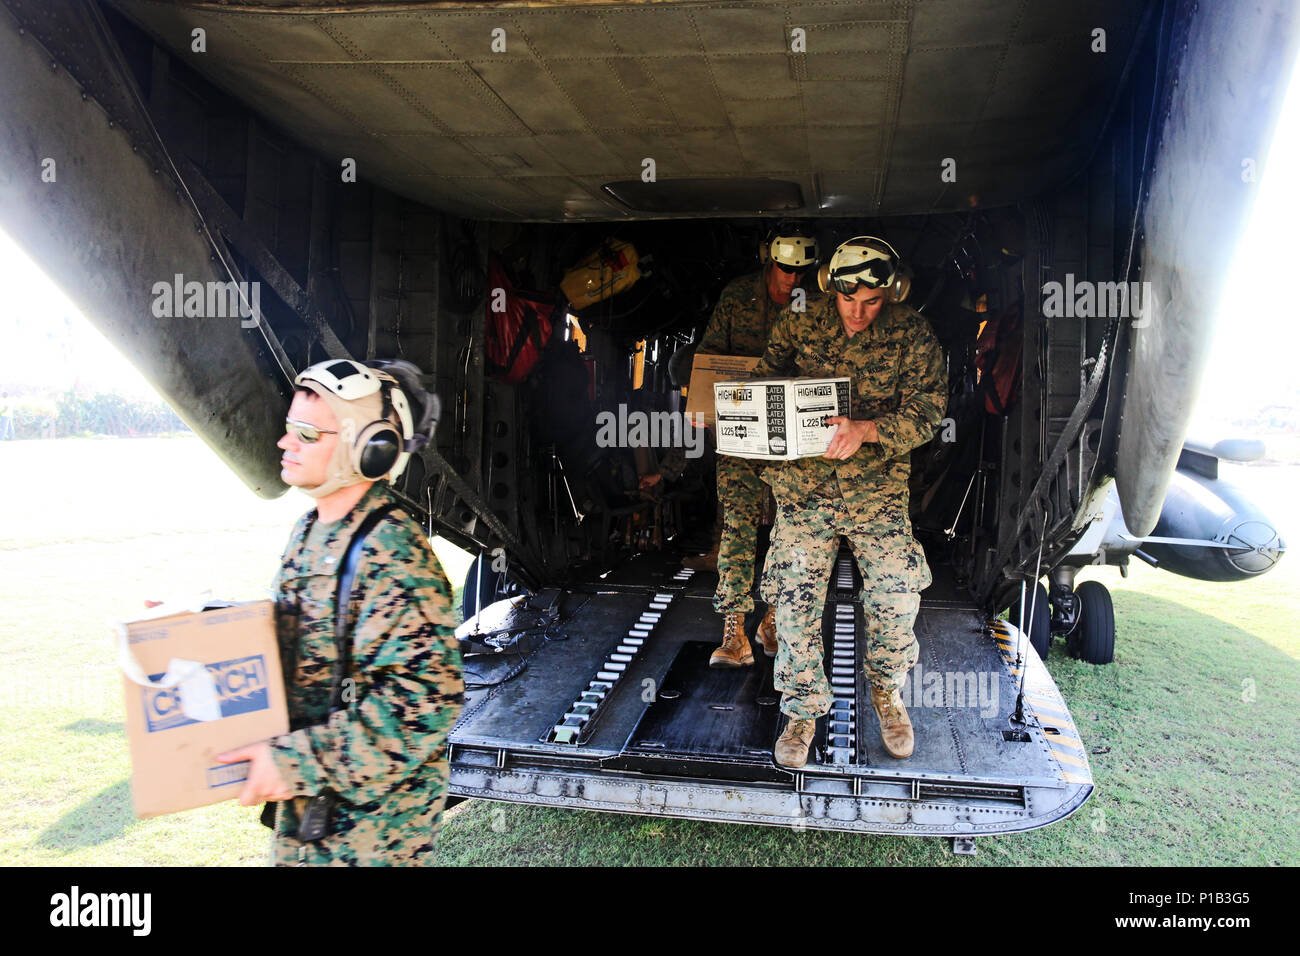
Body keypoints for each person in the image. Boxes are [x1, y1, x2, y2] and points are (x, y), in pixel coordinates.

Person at [217, 358, 463, 865]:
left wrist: (292, 763)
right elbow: (300, 638)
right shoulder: (311, 531)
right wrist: (197, 626)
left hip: (371, 836)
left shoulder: (392, 553)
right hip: (312, 823)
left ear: (369, 449)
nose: (286, 443)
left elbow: (426, 703)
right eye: (289, 429)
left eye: (307, 433)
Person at [751, 237, 947, 768]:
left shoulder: (912, 333)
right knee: (792, 599)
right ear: (830, 290)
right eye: (848, 301)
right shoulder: (799, 320)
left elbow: (930, 408)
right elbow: (764, 377)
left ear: (891, 292)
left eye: (872, 303)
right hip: (803, 489)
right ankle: (801, 711)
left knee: (898, 594)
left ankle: (886, 690)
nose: (859, 314)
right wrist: (776, 414)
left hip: (876, 493)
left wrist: (869, 429)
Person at [694, 227, 819, 668]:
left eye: (802, 272)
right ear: (770, 262)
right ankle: (734, 631)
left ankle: (770, 619)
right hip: (740, 430)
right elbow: (710, 354)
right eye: (787, 269)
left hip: (793, 437)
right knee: (738, 525)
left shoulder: (817, 303)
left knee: (790, 529)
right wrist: (700, 404)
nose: (794, 280)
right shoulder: (738, 296)